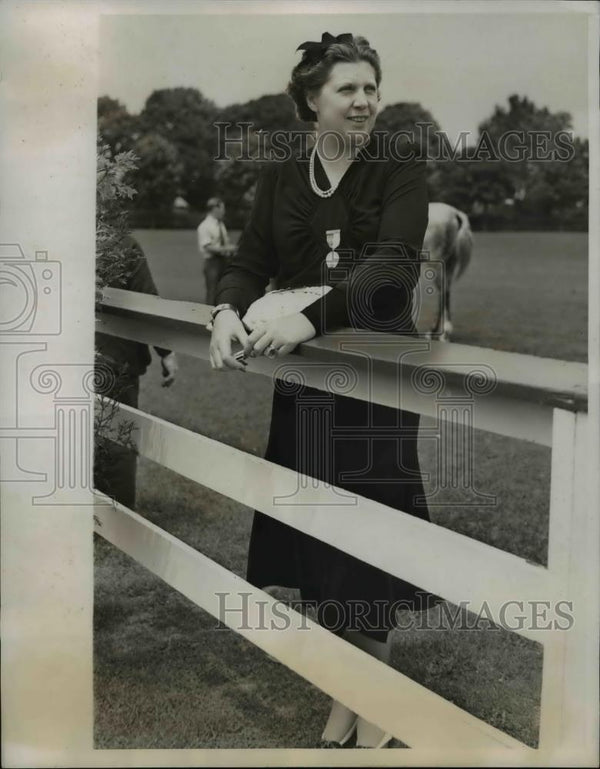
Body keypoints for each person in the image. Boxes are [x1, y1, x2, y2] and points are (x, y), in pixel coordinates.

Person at [209, 33, 437, 748]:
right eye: (348, 88)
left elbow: (395, 268)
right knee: (314, 536)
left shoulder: (397, 168)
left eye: (372, 86)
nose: (365, 99)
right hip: (302, 381)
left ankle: (377, 706)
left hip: (372, 376)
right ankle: (346, 697)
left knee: (366, 539)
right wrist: (222, 309)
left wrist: (307, 317)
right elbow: (248, 261)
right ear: (312, 99)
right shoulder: (282, 174)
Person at [95, 235, 177, 509]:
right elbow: (147, 303)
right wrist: (166, 353)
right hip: (115, 358)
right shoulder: (122, 243)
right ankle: (116, 518)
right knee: (118, 438)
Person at [197, 197, 236, 306]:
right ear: (215, 208)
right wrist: (227, 249)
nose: (224, 211)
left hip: (224, 261)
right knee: (213, 292)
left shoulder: (220, 224)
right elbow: (208, 247)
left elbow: (224, 241)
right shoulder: (204, 226)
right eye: (222, 208)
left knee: (224, 290)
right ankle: (208, 315)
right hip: (212, 263)